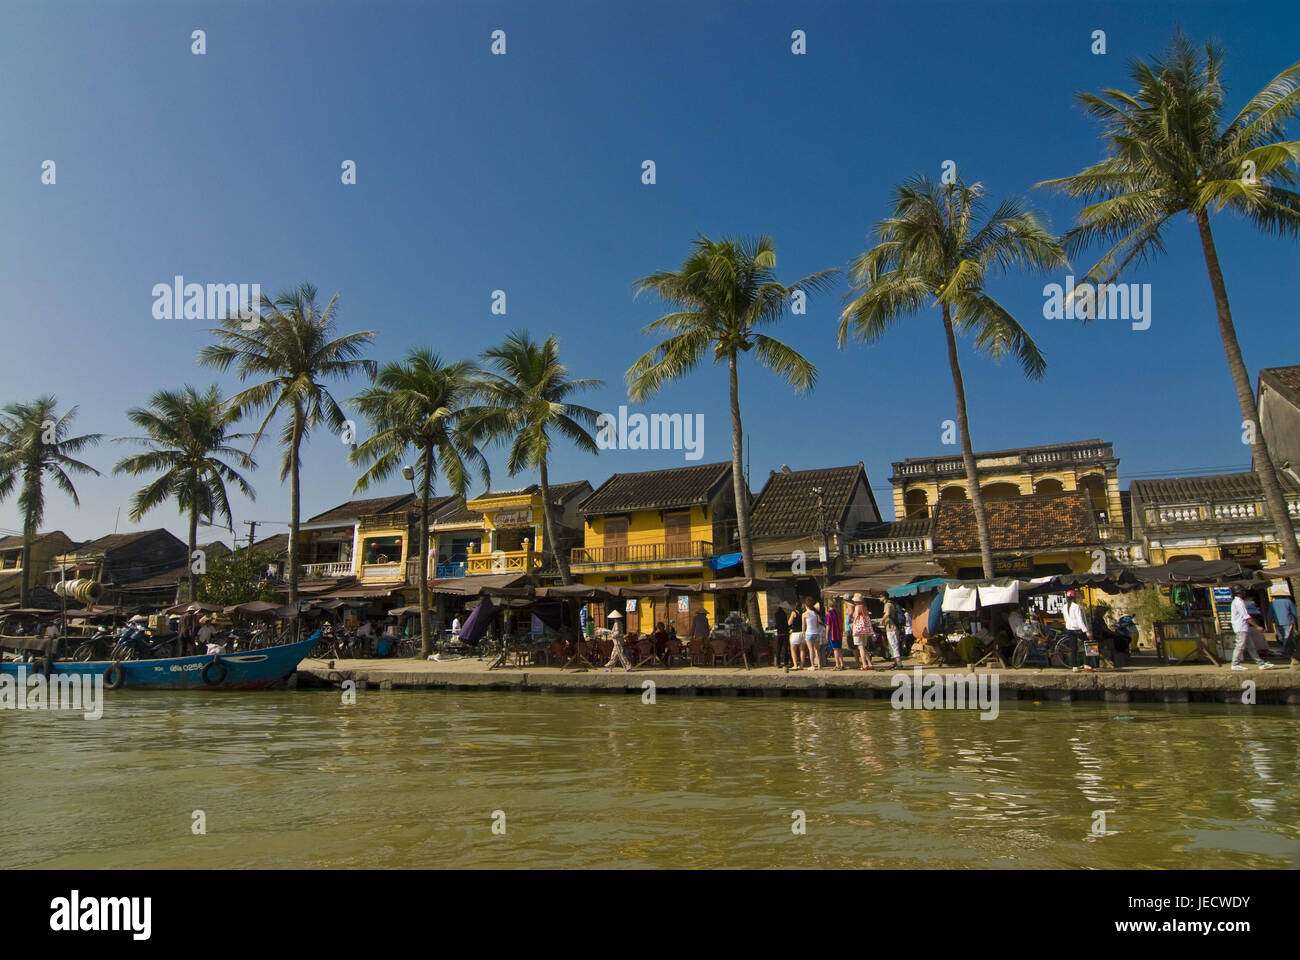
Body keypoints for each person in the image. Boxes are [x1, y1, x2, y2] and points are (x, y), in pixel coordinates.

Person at [1231, 585, 1275, 671]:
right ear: (1239, 593)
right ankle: (1235, 664)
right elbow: (1246, 616)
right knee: (1240, 646)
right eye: (1243, 591)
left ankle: (1260, 663)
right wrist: (1257, 626)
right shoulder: (1238, 602)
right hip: (1241, 628)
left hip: (1244, 628)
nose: (1244, 592)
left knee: (1251, 647)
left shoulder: (1239, 601)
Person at [1062, 590, 1093, 672]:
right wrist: (1086, 631)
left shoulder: (1064, 607)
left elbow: (1065, 619)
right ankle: (1087, 664)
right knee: (1088, 644)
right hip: (1077, 629)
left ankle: (1074, 667)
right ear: (1074, 598)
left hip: (1069, 629)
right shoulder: (1076, 606)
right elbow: (1080, 620)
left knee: (1073, 648)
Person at [850, 593, 875, 670]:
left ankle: (864, 664)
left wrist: (853, 625)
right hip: (865, 629)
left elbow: (857, 616)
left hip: (859, 629)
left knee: (860, 647)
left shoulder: (857, 607)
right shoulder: (864, 607)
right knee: (863, 647)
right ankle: (870, 664)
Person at [1270, 592, 1297, 660]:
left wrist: (1270, 620)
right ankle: (1286, 650)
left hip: (1278, 622)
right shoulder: (1288, 602)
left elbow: (1270, 613)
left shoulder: (1272, 603)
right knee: (1288, 636)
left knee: (1282, 637)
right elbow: (1294, 612)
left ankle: (1288, 650)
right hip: (1288, 621)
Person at [881, 594, 902, 670]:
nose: (879, 598)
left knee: (893, 645)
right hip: (892, 627)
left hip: (891, 627)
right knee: (893, 645)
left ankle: (899, 663)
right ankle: (896, 662)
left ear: (884, 597)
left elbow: (887, 614)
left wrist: (882, 620)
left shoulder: (887, 604)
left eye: (880, 596)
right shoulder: (891, 604)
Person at [801, 599, 822, 671]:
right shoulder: (815, 614)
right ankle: (819, 664)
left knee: (811, 650)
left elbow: (803, 625)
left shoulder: (804, 614)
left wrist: (803, 633)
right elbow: (817, 624)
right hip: (816, 632)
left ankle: (812, 665)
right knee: (817, 650)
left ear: (806, 606)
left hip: (809, 633)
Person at [825, 597, 845, 670]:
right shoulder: (838, 613)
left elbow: (828, 625)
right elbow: (841, 622)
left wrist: (826, 635)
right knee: (839, 649)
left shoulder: (829, 614)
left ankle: (837, 664)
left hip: (832, 634)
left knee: (835, 649)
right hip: (838, 633)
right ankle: (842, 664)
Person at [788, 602, 806, 670]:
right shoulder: (803, 613)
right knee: (802, 650)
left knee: (793, 649)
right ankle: (801, 665)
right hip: (802, 632)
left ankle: (795, 665)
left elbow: (789, 622)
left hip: (795, 632)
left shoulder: (794, 612)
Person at [772, 603, 791, 668]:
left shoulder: (776, 614)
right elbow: (786, 623)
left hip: (779, 632)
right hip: (785, 632)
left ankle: (778, 662)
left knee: (779, 648)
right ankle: (786, 662)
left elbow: (777, 624)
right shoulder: (784, 614)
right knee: (785, 647)